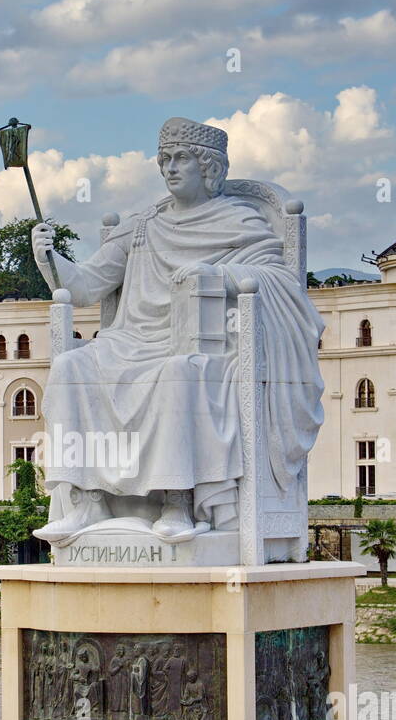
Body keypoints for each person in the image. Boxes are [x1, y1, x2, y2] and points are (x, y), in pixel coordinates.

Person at [31, 116, 324, 541]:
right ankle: (87, 500)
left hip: (200, 348)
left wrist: (217, 274)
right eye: (164, 159)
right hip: (129, 341)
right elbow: (84, 287)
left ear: (209, 167)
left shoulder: (237, 222)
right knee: (69, 369)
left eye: (181, 158)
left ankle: (177, 501)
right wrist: (48, 258)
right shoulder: (142, 226)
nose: (170, 168)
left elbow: (280, 281)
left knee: (176, 372)